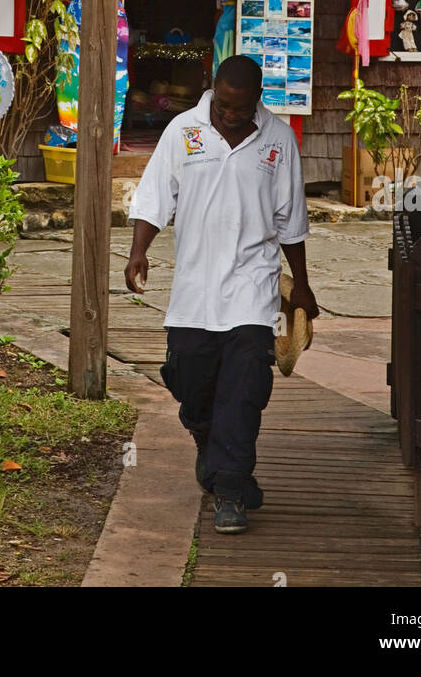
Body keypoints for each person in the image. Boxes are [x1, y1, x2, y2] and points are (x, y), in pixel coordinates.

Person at [125, 54, 319, 535]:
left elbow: (290, 220)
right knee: (188, 375)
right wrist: (137, 252)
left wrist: (304, 286)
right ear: (213, 89)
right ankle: (207, 437)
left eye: (242, 107)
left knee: (245, 386)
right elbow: (155, 197)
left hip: (254, 288)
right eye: (226, 106)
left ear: (257, 99)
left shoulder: (278, 139)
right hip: (194, 289)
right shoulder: (182, 131)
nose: (232, 115)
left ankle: (229, 490)